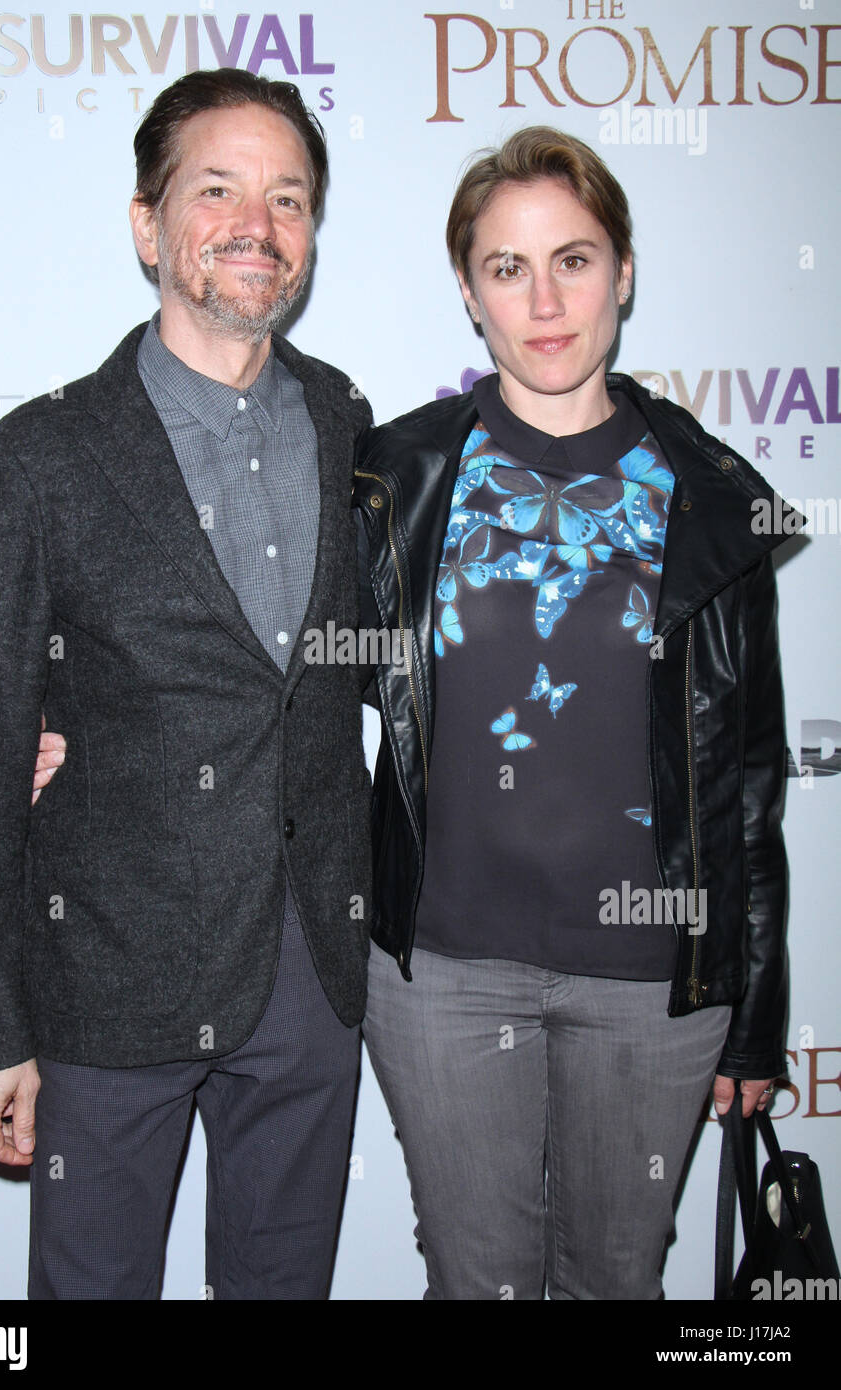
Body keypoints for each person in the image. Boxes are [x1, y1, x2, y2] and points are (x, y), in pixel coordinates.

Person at [0, 67, 374, 1301]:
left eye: (288, 198)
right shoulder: (41, 454)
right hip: (106, 981)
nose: (256, 223)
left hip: (308, 978)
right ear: (146, 224)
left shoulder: (348, 424)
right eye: (216, 187)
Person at [352, 127, 793, 1299]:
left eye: (574, 259)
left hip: (649, 983)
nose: (543, 300)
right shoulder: (389, 481)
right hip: (440, 971)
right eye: (506, 267)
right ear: (466, 291)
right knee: (476, 1281)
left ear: (624, 271)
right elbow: (276, 695)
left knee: (615, 1284)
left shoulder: (710, 498)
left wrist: (753, 1013)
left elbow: (749, 778)